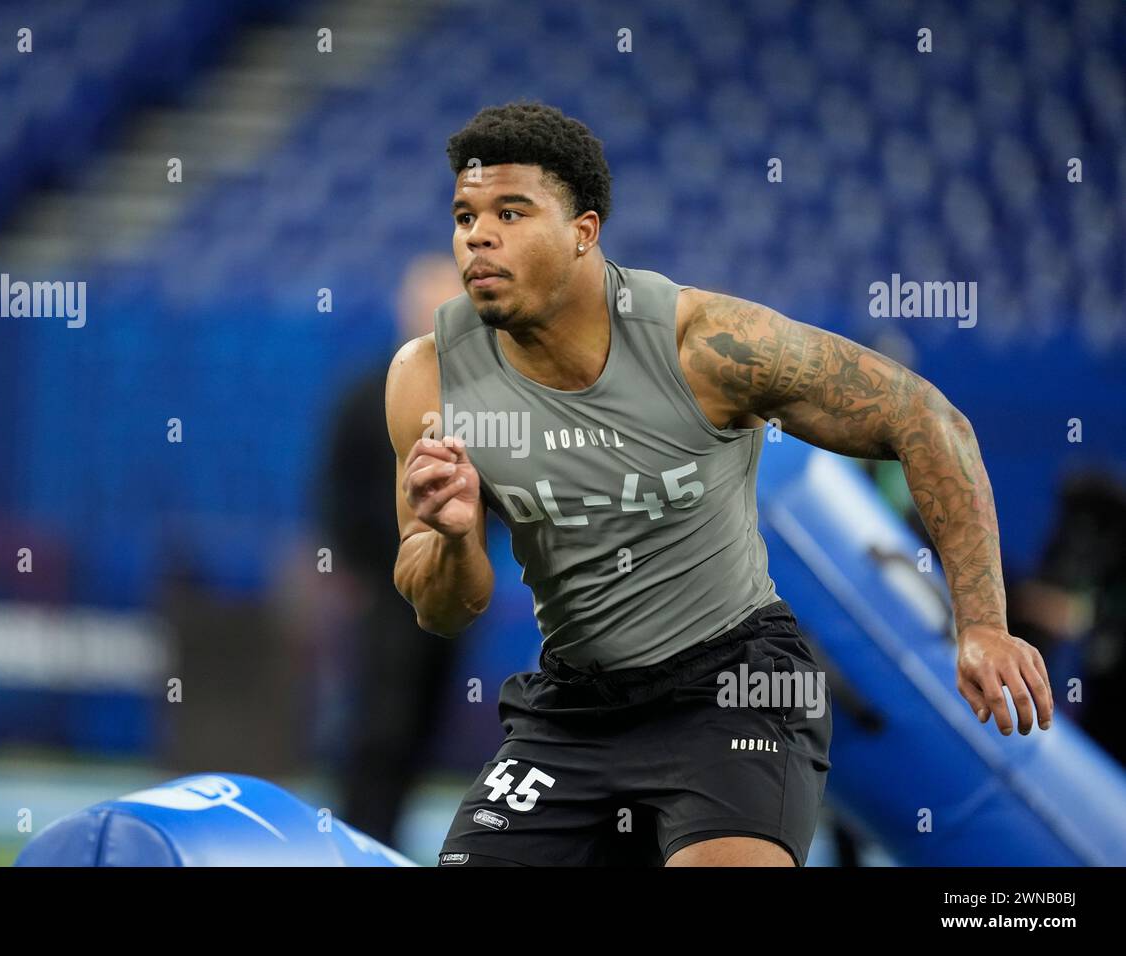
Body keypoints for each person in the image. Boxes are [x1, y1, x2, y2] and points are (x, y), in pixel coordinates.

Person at [385, 101, 1054, 867]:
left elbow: (927, 420)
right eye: (465, 215)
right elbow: (445, 607)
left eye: (511, 211)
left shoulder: (704, 345)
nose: (479, 235)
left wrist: (985, 624)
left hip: (738, 687)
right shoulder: (429, 377)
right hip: (575, 708)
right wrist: (451, 534)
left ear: (584, 233)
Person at [324, 254, 464, 848]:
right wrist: (363, 571)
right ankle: (358, 838)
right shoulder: (365, 397)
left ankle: (389, 841)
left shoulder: (472, 401)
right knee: (379, 724)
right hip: (387, 594)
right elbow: (337, 493)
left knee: (426, 724)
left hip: (451, 589)